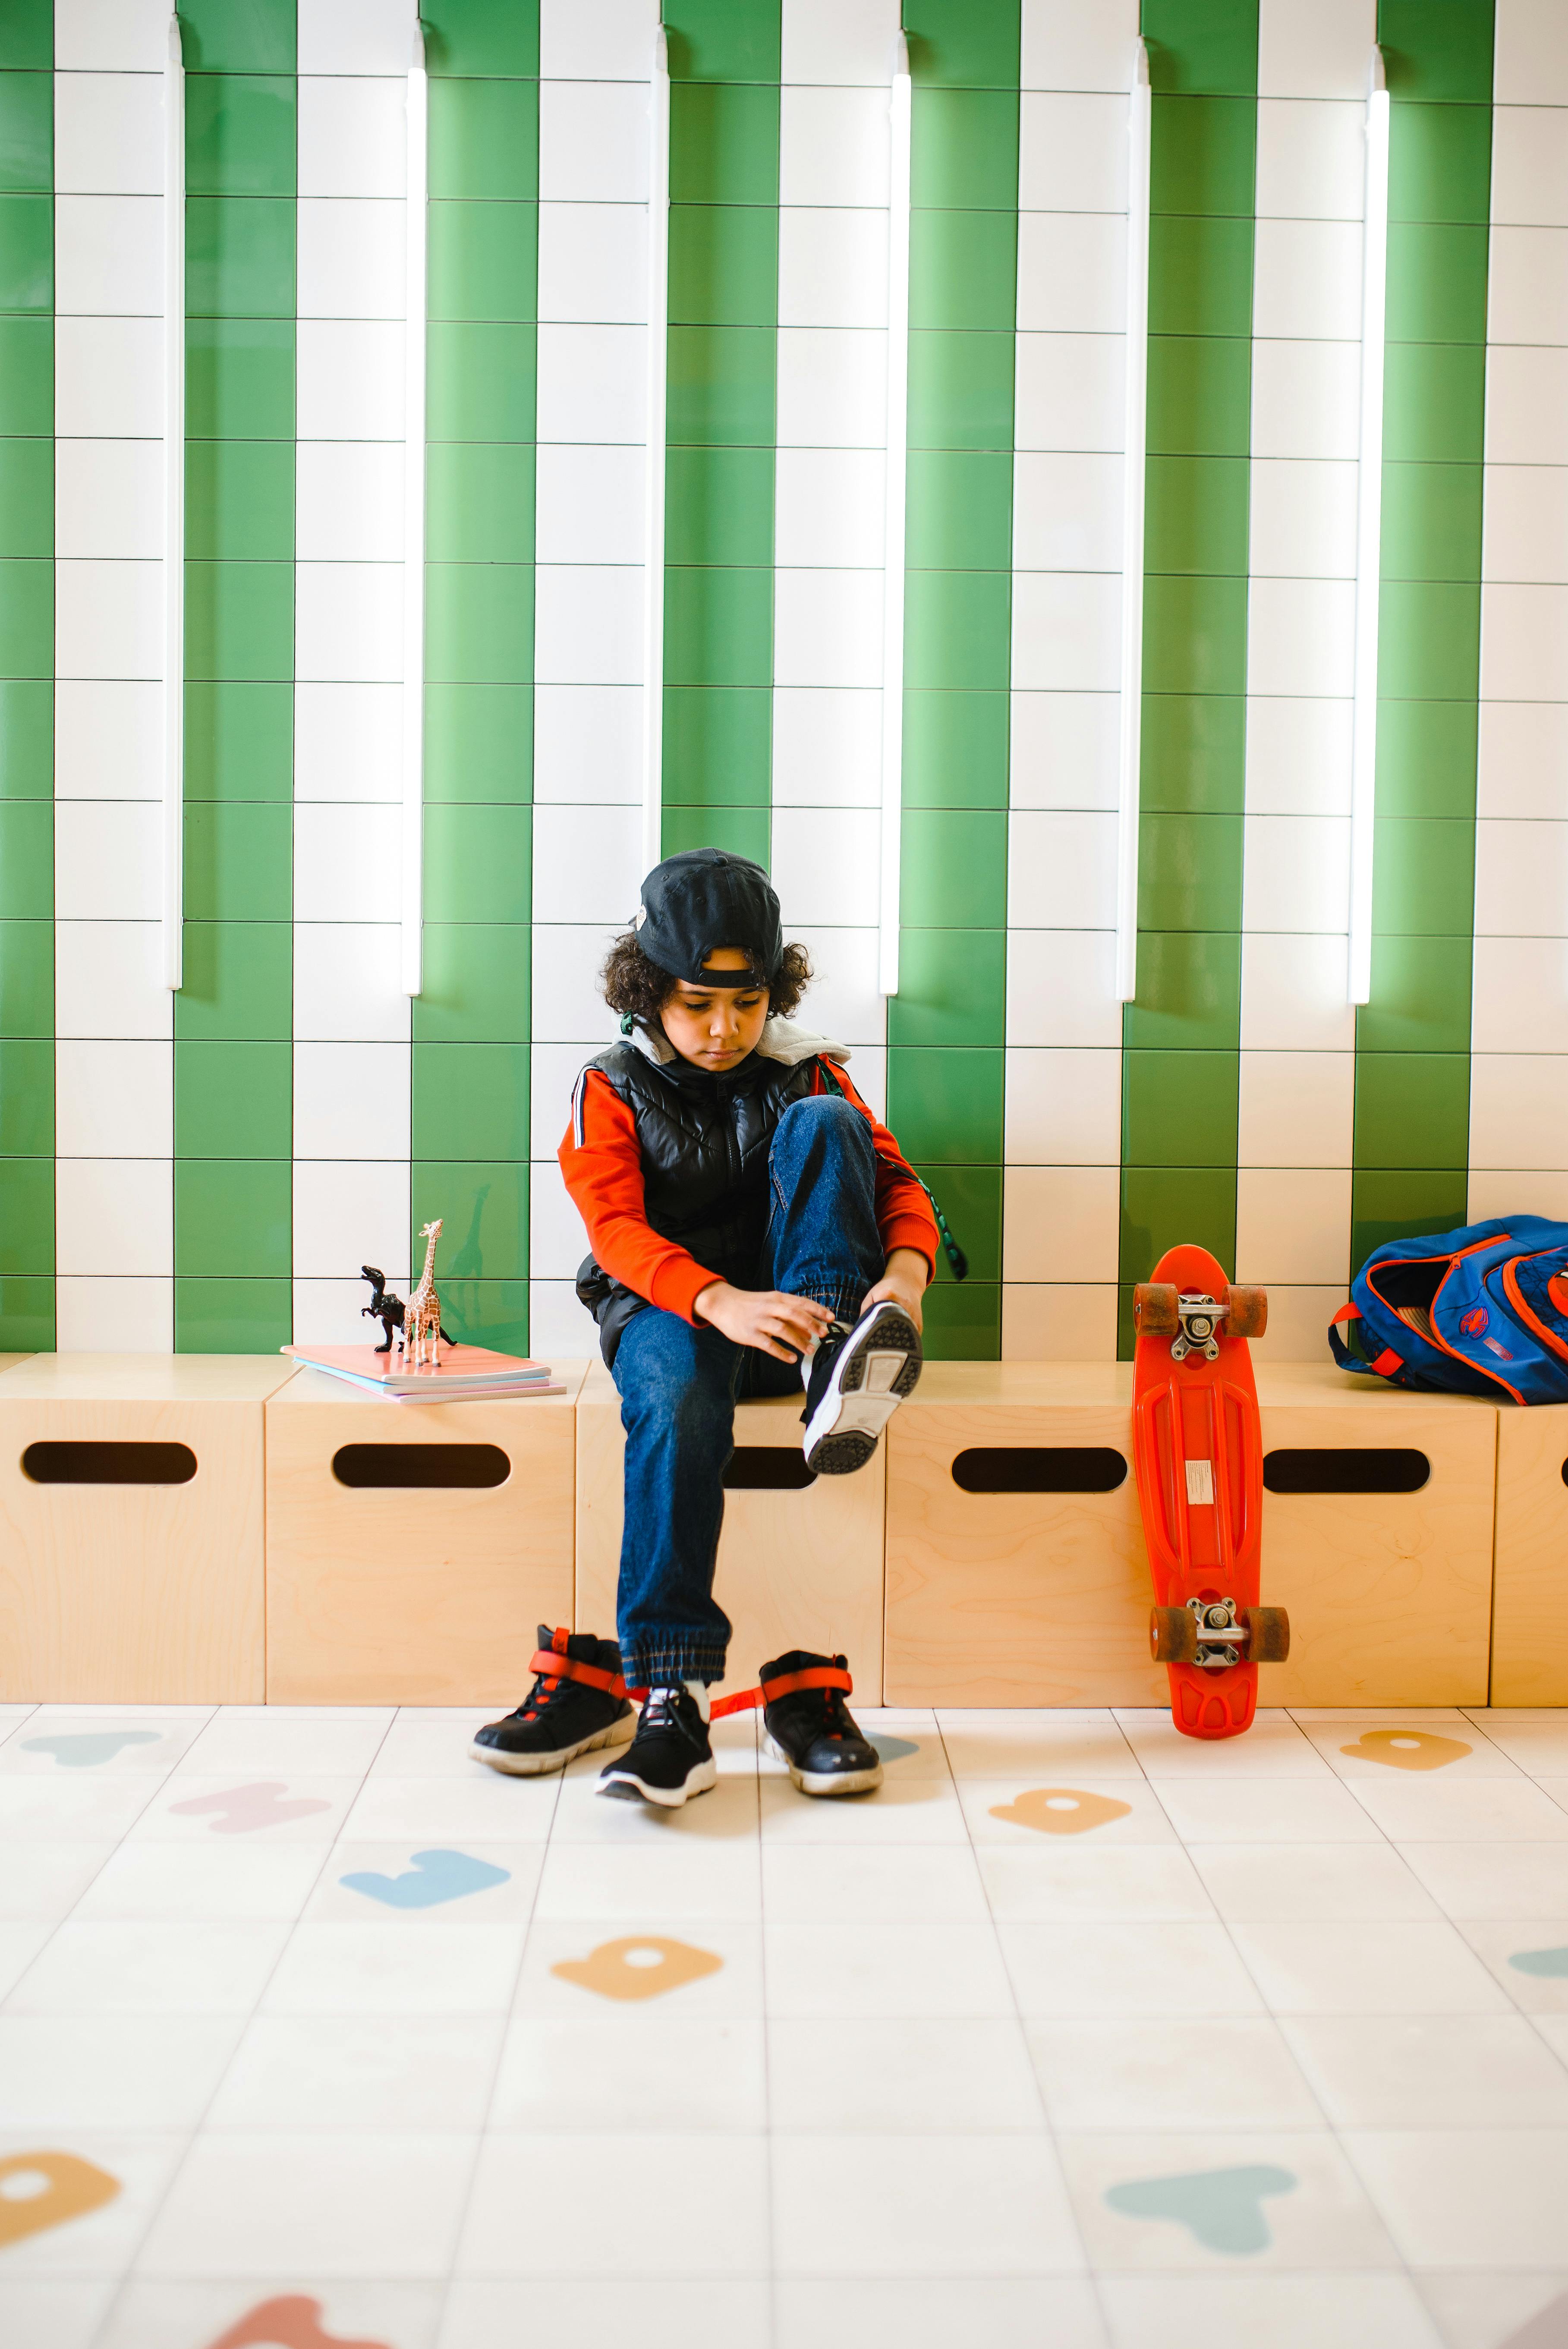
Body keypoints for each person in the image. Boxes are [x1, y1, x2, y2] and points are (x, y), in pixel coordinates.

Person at [472, 848, 940, 1808]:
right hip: (669, 1318)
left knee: (830, 1123)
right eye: (696, 1004)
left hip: (796, 1324)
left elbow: (896, 1183)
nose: (724, 1029)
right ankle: (670, 1703)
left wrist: (904, 1280)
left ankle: (835, 1376)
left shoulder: (809, 1070)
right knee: (679, 1394)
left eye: (747, 1003)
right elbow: (614, 1230)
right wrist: (718, 1300)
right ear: (648, 993)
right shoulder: (607, 1084)